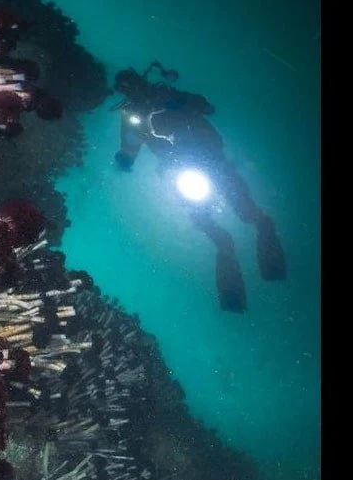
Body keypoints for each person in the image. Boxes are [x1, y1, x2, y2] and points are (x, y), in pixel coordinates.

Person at [112, 61, 286, 312]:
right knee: (213, 230)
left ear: (142, 80)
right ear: (124, 91)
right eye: (126, 88)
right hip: (181, 170)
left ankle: (271, 259)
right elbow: (129, 142)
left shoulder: (168, 93)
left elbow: (207, 106)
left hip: (212, 160)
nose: (134, 90)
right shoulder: (132, 115)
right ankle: (231, 293)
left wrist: (182, 101)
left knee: (250, 213)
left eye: (134, 83)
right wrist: (125, 157)